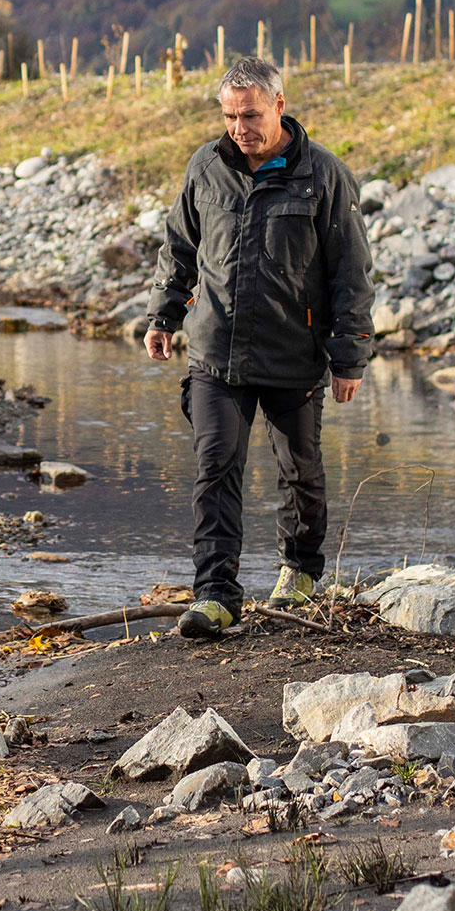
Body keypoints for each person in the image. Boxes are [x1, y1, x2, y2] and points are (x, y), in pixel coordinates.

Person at [144, 54, 374, 639]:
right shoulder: (206, 167)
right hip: (216, 354)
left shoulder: (325, 176)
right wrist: (163, 317)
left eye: (249, 115)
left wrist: (348, 356)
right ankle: (216, 594)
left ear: (279, 105)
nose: (239, 128)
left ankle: (298, 571)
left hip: (293, 355)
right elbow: (179, 249)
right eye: (228, 116)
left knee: (300, 470)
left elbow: (351, 273)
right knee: (214, 467)